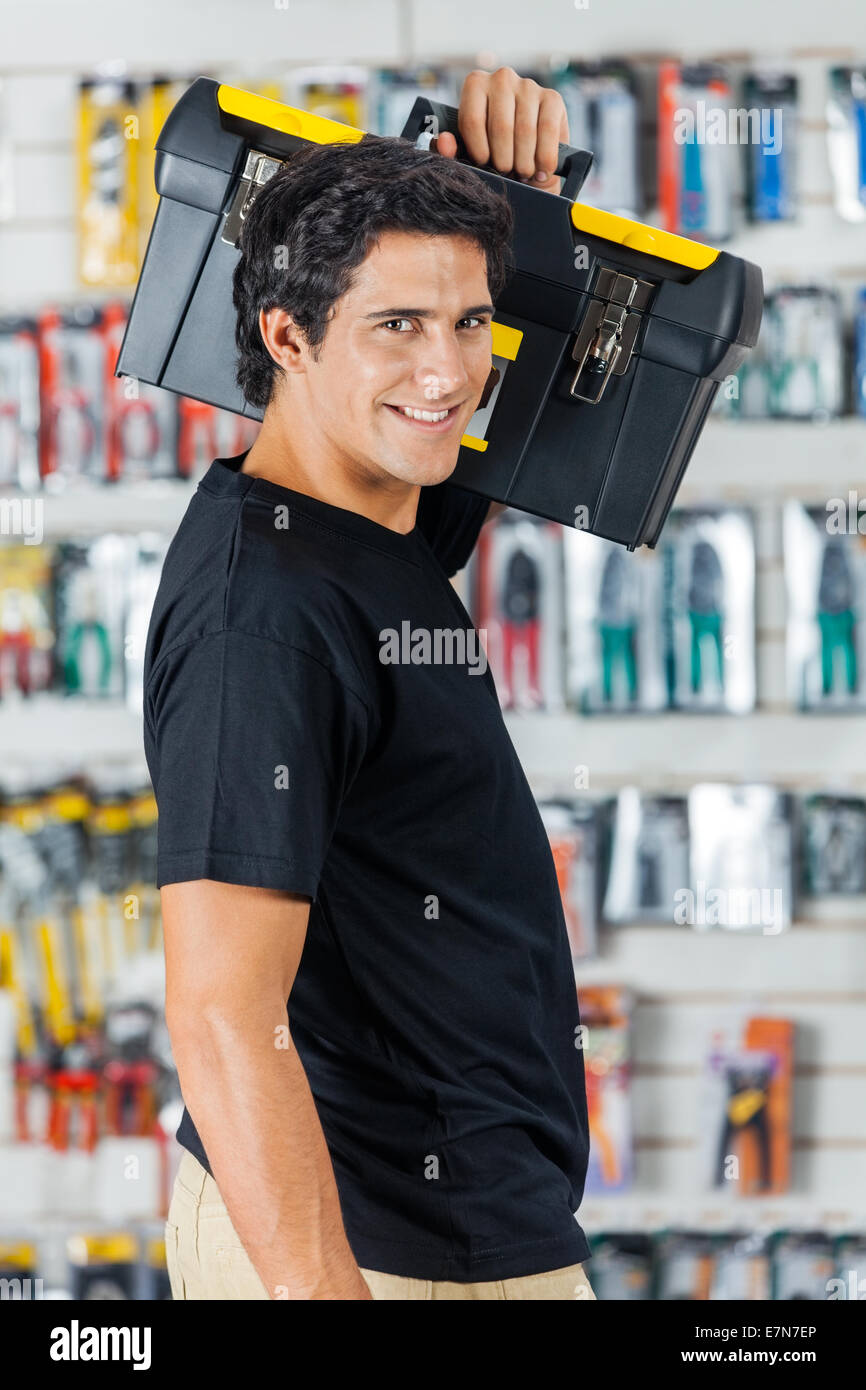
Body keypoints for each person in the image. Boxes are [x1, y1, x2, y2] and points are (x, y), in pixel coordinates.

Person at [145, 65, 596, 1301]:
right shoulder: (264, 622)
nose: (447, 372)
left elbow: (481, 444)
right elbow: (222, 1017)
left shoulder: (363, 520)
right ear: (286, 336)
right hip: (368, 1256)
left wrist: (508, 199)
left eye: (467, 321)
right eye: (395, 325)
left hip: (467, 1223)